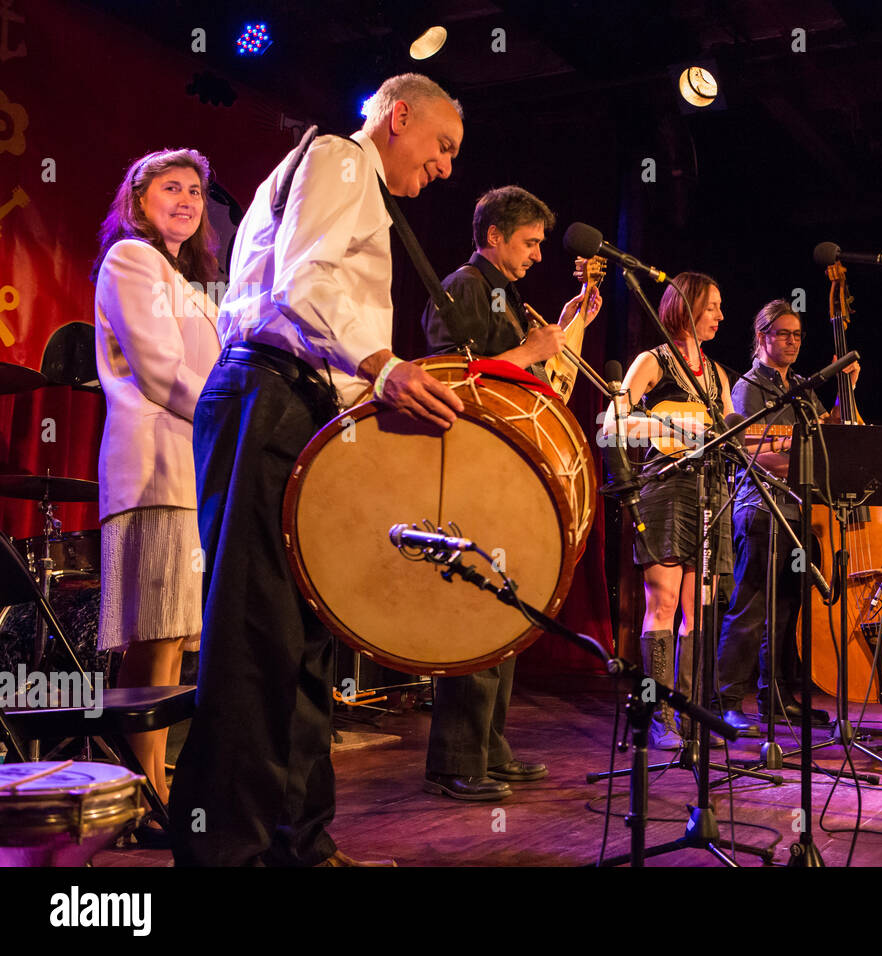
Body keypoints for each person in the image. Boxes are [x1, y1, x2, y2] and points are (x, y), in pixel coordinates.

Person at [168, 74, 465, 867]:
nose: (444, 167)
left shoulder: (364, 186)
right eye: (442, 146)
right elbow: (304, 283)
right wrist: (384, 366)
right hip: (265, 396)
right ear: (399, 117)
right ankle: (224, 853)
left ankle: (304, 846)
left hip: (298, 406)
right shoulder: (340, 157)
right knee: (253, 639)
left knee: (304, 641)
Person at [420, 185, 599, 800]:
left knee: (505, 607)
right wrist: (531, 350)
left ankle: (489, 747)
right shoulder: (463, 285)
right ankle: (454, 760)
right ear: (494, 235)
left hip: (506, 466)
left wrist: (560, 334)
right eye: (530, 241)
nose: (538, 254)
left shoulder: (506, 294)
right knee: (476, 611)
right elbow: (448, 373)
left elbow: (526, 371)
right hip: (471, 463)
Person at [90, 148, 222, 827]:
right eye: (171, 188)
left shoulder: (190, 281)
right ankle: (142, 791)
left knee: (170, 636)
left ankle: (148, 783)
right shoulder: (131, 261)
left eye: (195, 191)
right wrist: (225, 423)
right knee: (156, 634)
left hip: (186, 466)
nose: (186, 200)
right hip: (154, 464)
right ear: (138, 200)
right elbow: (159, 368)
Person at [715, 300, 856, 733]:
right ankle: (725, 701)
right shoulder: (747, 386)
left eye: (798, 335)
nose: (793, 342)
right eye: (784, 334)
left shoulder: (800, 385)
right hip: (759, 507)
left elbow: (829, 437)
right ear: (762, 337)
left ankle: (775, 698)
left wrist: (846, 389)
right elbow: (748, 447)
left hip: (798, 511)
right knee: (751, 608)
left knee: (786, 611)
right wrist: (791, 455)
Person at [606, 273, 734, 749]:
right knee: (662, 605)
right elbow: (613, 423)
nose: (721, 316)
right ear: (686, 308)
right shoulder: (653, 361)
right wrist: (675, 429)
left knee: (699, 609)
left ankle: (694, 713)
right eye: (713, 306)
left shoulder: (719, 375)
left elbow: (730, 437)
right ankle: (660, 718)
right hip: (665, 490)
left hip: (711, 493)